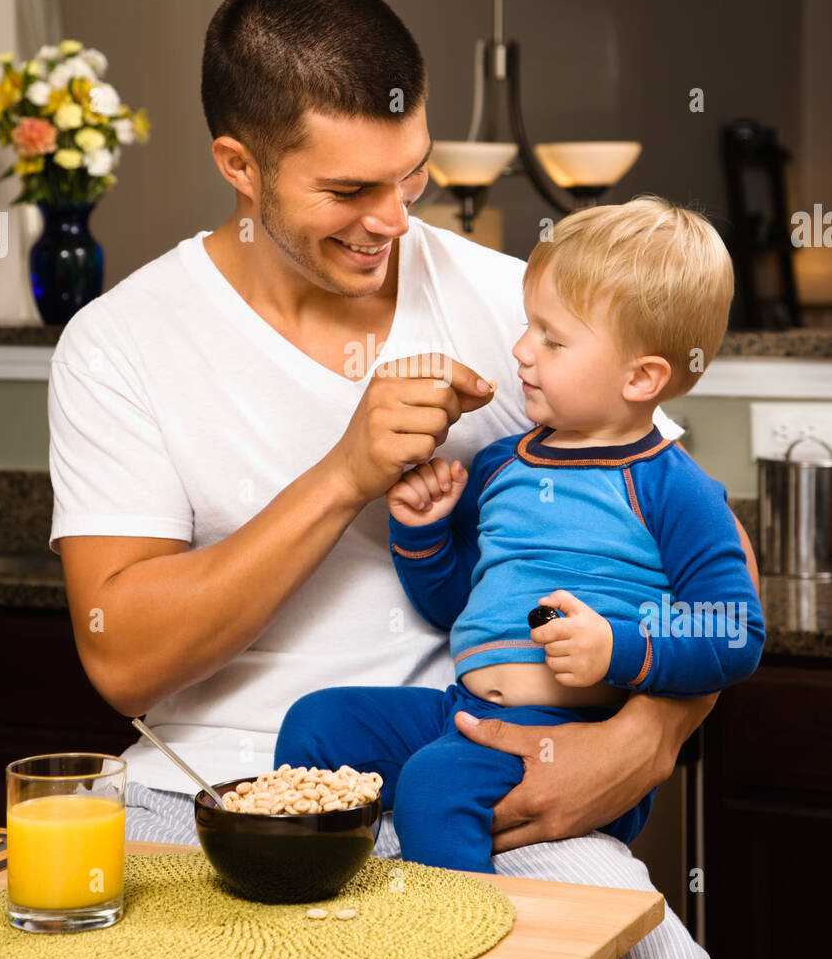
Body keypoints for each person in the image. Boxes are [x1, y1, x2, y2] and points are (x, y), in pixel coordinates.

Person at [48, 0, 757, 959]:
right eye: (347, 191)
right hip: (204, 788)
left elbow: (705, 565)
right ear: (239, 165)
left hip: (484, 772)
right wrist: (344, 475)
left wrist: (640, 741)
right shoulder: (120, 343)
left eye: (411, 176)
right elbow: (120, 654)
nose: (392, 220)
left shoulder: (511, 302)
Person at [275, 197, 765, 873]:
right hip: (462, 711)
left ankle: (457, 952)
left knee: (435, 783)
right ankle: (307, 900)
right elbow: (454, 604)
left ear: (642, 377)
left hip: (568, 737)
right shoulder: (504, 464)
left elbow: (734, 632)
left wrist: (617, 649)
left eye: (551, 339)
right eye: (526, 326)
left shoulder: (672, 488)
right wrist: (421, 535)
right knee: (318, 725)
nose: (519, 351)